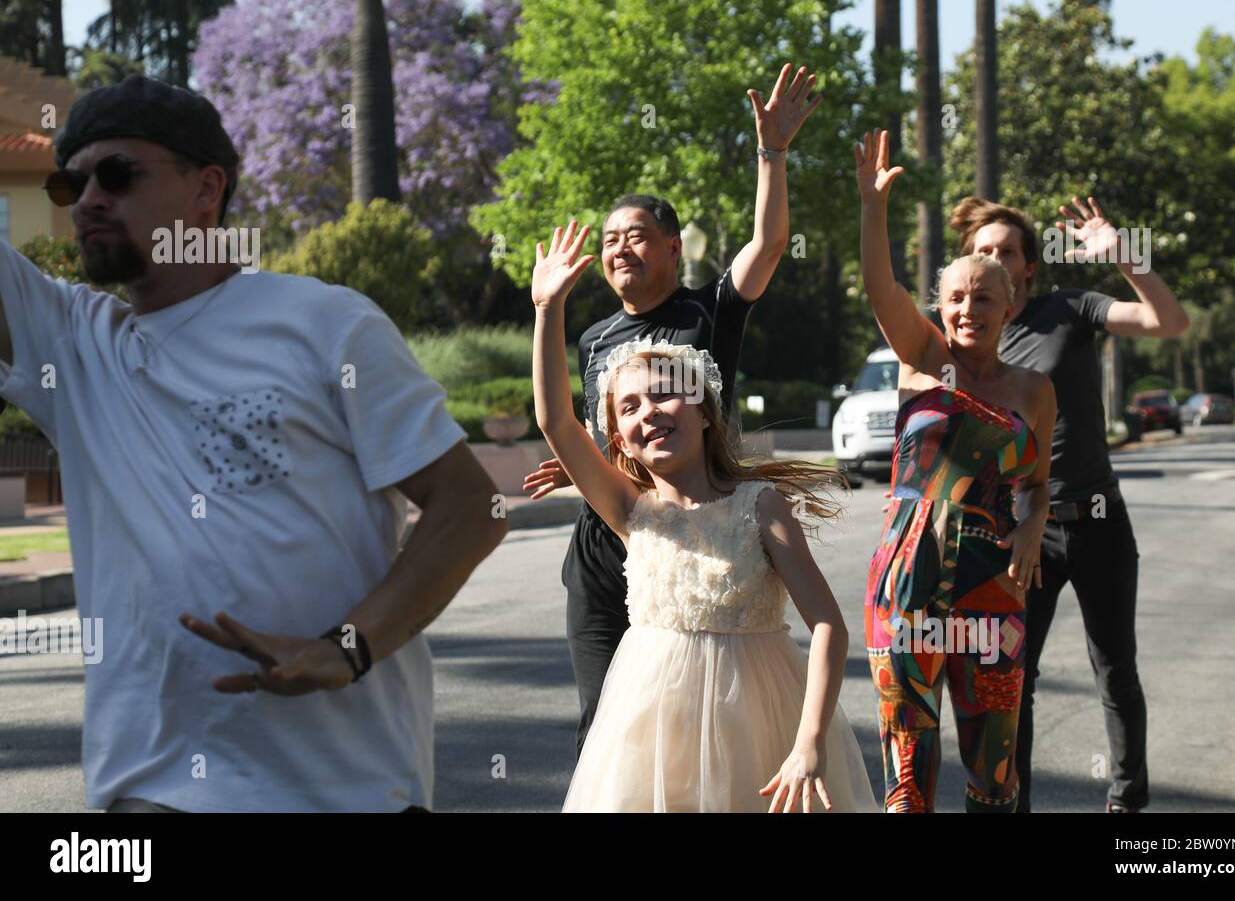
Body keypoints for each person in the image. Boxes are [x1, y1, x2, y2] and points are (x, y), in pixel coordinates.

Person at [0, 74, 506, 812]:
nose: (88, 200)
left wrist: (345, 647)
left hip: (348, 789)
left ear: (207, 190)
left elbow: (470, 507)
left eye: (117, 174)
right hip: (153, 795)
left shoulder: (324, 324)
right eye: (69, 183)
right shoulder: (73, 348)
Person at [522, 64, 824, 758]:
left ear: (670, 247)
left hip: (702, 539)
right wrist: (580, 470)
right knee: (606, 731)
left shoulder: (709, 309)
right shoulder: (595, 337)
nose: (618, 248)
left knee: (698, 730)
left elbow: (769, 244)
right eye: (608, 241)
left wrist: (772, 154)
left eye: (634, 235)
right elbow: (591, 432)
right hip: (612, 539)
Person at [530, 220, 875, 812]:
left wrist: (810, 742)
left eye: (665, 394)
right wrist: (546, 308)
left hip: (760, 721)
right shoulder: (630, 511)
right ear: (620, 441)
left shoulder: (760, 506)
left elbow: (827, 626)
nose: (650, 413)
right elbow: (557, 422)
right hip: (653, 727)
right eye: (630, 408)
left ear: (706, 412)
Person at [948, 194, 1189, 813]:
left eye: (1006, 252)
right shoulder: (968, 339)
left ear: (1028, 266)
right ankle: (1013, 803)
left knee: (1116, 671)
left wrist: (1126, 257)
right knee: (1012, 681)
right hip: (1023, 529)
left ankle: (1127, 805)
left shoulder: (1071, 310)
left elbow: (1170, 322)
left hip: (1099, 520)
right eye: (982, 252)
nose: (994, 259)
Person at [855, 129, 1056, 812]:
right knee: (907, 781)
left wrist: (1033, 531)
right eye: (958, 297)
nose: (970, 309)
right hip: (905, 592)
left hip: (994, 595)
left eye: (986, 298)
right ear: (942, 306)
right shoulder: (922, 358)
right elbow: (880, 285)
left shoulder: (1033, 390)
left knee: (993, 782)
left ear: (1009, 308)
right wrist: (873, 205)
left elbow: (1035, 485)